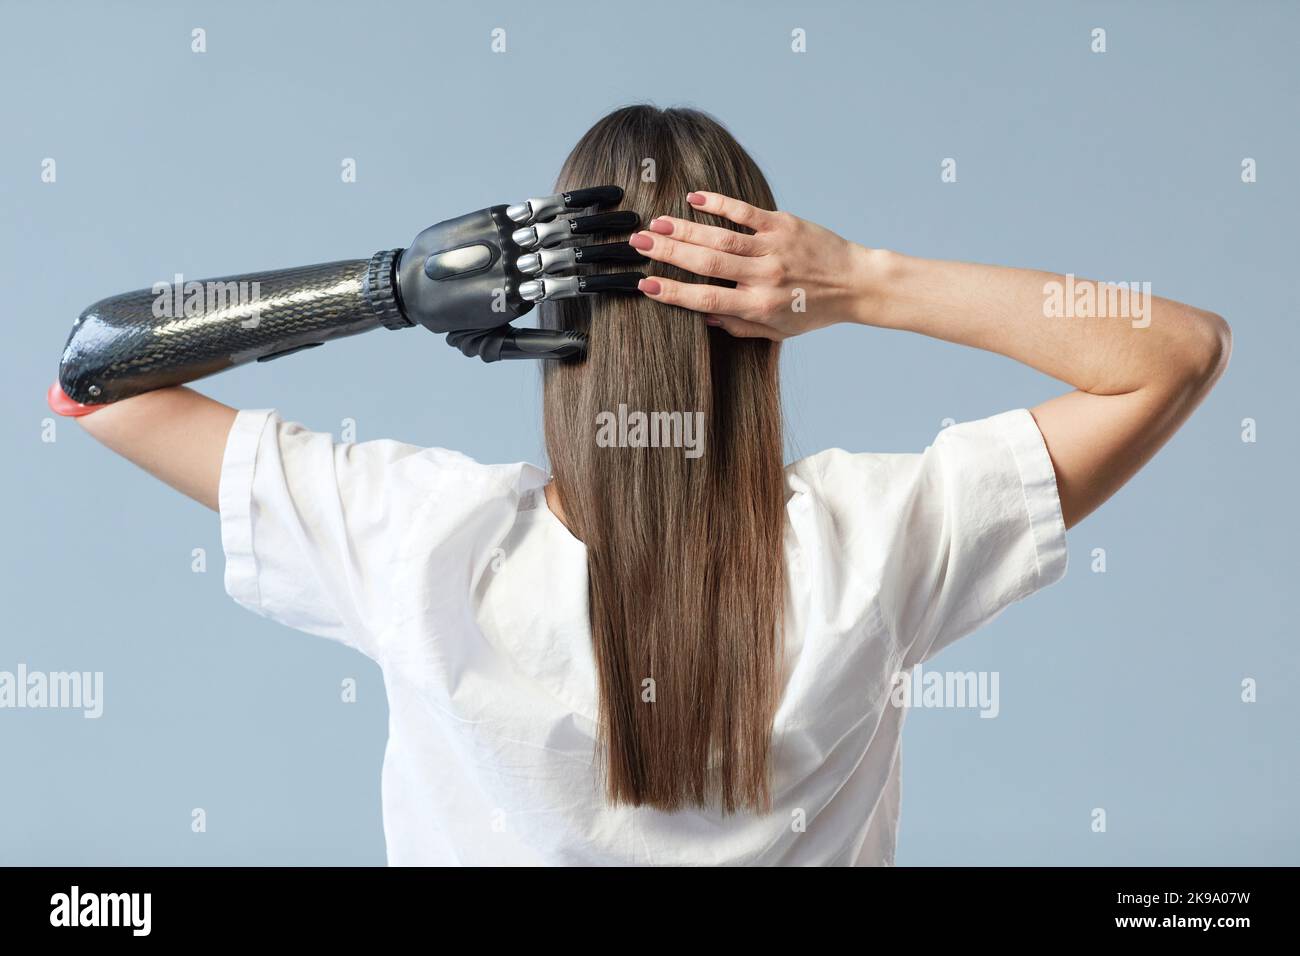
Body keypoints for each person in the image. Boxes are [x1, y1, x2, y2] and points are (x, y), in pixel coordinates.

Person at [63, 105, 1230, 865]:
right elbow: (1173, 351)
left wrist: (388, 288)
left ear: (548, 318)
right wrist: (864, 280)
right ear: (765, 320)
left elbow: (97, 374)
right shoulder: (876, 542)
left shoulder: (421, 537)